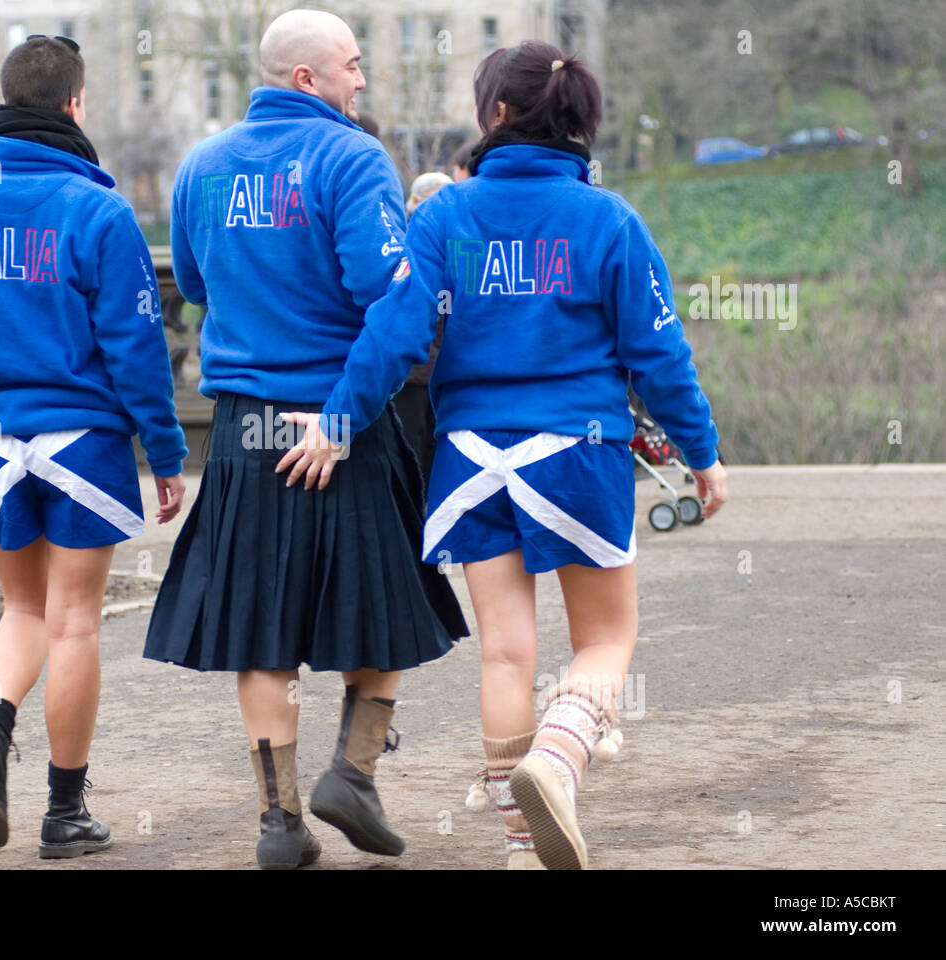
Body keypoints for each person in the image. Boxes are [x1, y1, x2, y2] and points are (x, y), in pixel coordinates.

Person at [279, 41, 728, 870]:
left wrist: (336, 423)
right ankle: (556, 763)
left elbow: (396, 333)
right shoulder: (610, 221)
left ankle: (522, 847)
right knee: (604, 642)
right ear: (581, 123)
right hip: (579, 453)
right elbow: (659, 357)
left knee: (506, 654)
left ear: (494, 115)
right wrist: (702, 454)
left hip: (471, 458)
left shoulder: (446, 214)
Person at [144, 8, 467, 869]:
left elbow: (199, 282)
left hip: (248, 432)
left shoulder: (202, 166)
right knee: (393, 611)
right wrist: (338, 417)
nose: (362, 79)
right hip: (342, 426)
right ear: (307, 79)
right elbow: (394, 307)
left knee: (261, 631)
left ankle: (279, 822)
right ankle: (352, 775)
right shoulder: (352, 158)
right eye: (352, 66)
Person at [0, 35, 187, 858]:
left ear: (4, 103)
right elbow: (135, 347)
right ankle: (65, 812)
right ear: (74, 106)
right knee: (76, 620)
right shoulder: (99, 211)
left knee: (22, 608)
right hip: (83, 442)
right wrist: (164, 453)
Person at [394, 171, 454, 486]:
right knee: (413, 455)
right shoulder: (406, 240)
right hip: (412, 374)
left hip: (440, 373)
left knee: (434, 453)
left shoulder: (451, 240)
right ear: (416, 201)